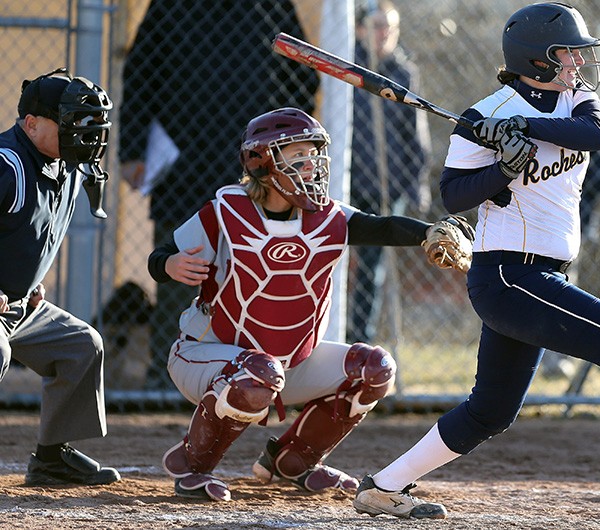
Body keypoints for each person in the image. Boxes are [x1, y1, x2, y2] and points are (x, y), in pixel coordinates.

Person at [351, 4, 600, 529]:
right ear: (536, 58)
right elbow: (453, 196)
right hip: (507, 274)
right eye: (567, 52)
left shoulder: (575, 99)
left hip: (543, 274)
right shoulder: (482, 116)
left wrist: (521, 126)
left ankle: (383, 487)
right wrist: (503, 167)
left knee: (490, 411)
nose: (578, 62)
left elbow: (594, 134)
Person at [148, 107, 471, 501]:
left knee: (374, 369)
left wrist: (430, 232)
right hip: (205, 355)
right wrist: (170, 264)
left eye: (313, 154)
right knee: (257, 373)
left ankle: (293, 461)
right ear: (262, 162)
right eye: (297, 155)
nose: (310, 165)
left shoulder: (327, 217)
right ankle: (193, 466)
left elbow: (382, 226)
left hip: (284, 364)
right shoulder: (226, 212)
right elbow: (159, 256)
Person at [119, 0, 319, 390]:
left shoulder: (270, 5)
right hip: (183, 156)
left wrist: (289, 149)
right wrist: (132, 150)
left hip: (254, 161)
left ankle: (251, 376)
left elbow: (301, 76)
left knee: (252, 269)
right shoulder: (170, 5)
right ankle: (168, 378)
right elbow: (140, 74)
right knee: (183, 259)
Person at [0, 69, 120, 486]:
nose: (84, 133)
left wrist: (26, 281)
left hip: (19, 307)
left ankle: (51, 458)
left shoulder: (67, 165)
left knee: (81, 346)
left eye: (88, 123)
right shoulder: (7, 164)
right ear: (31, 124)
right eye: (71, 121)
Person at [348, 0, 432, 344]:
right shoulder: (345, 67)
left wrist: (416, 184)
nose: (385, 34)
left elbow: (416, 135)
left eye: (391, 27)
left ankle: (360, 337)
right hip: (347, 181)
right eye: (377, 26)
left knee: (372, 268)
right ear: (359, 30)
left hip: (386, 186)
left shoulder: (402, 73)